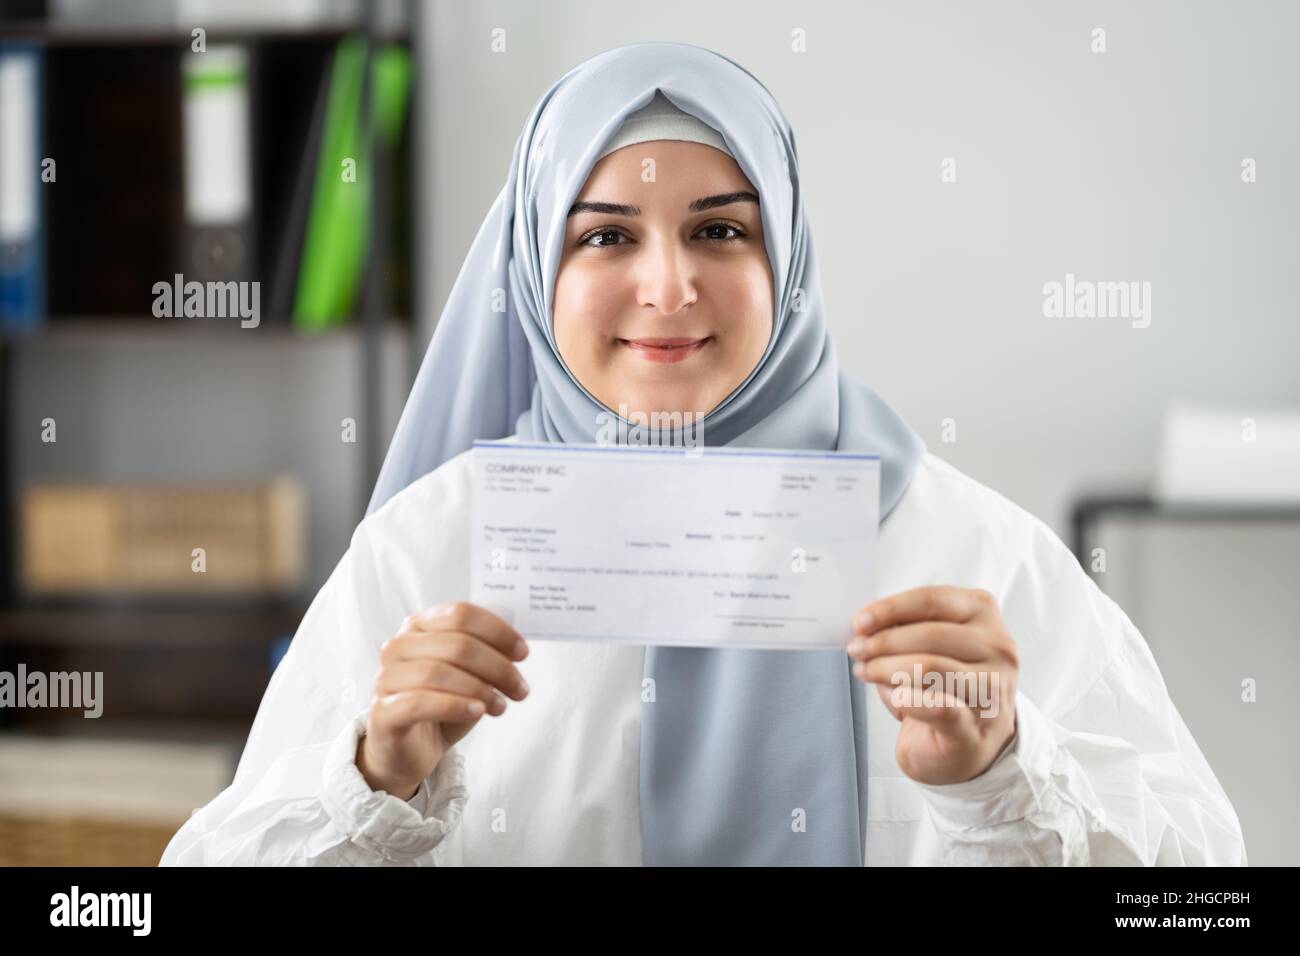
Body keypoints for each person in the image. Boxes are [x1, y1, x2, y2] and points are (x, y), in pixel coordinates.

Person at [160, 41, 1246, 866]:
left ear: (789, 256)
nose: (668, 287)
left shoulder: (966, 555)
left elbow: (1202, 893)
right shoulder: (427, 555)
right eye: (605, 235)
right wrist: (374, 778)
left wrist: (1004, 772)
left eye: (721, 230)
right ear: (536, 270)